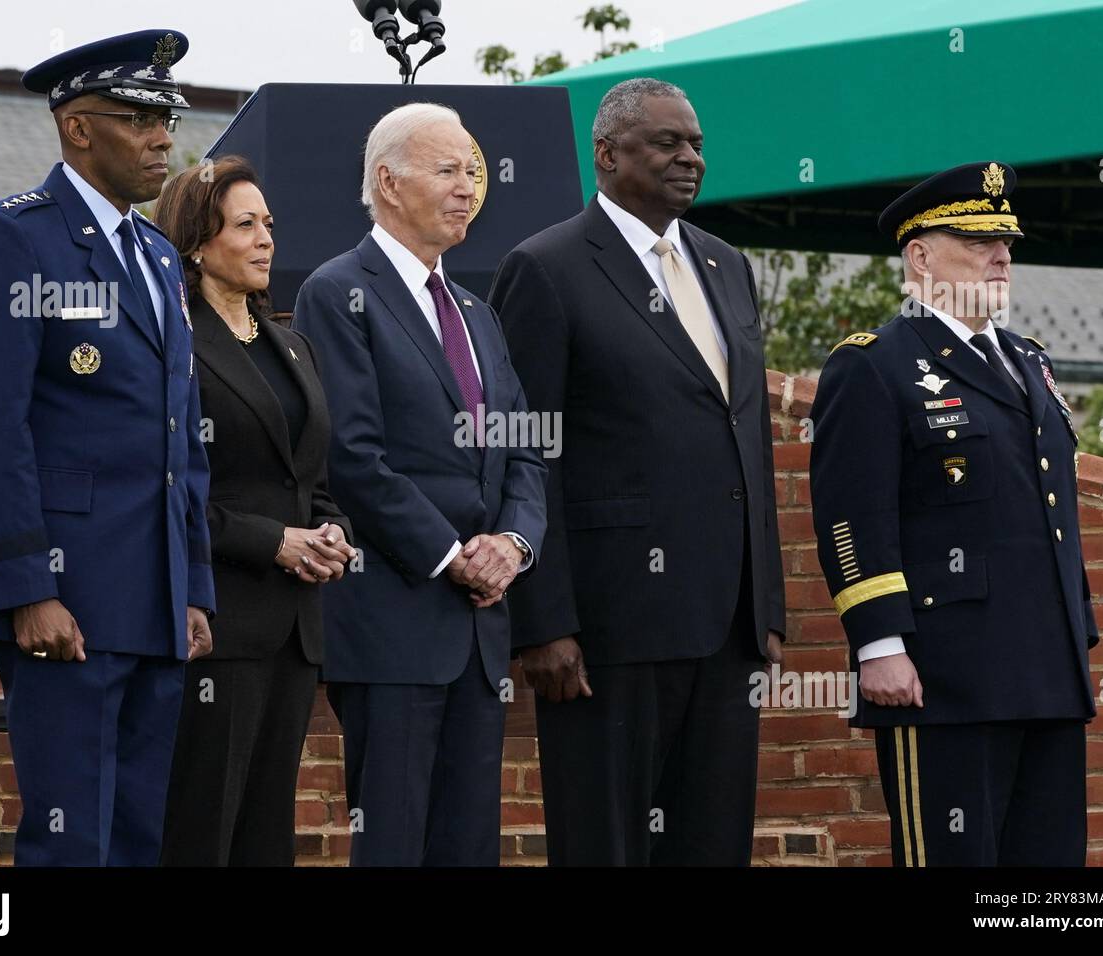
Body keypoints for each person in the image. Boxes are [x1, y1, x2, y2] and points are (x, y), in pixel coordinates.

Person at [487, 78, 786, 866]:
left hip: (726, 621)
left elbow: (745, 436)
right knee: (607, 842)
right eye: (669, 143)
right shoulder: (545, 267)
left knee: (712, 841)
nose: (691, 157)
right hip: (610, 624)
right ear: (608, 152)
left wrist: (768, 604)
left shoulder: (726, 266)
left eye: (697, 144)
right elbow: (525, 446)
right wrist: (544, 621)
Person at [0, 30, 214, 866]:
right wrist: (27, 586)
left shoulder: (162, 257)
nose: (163, 135)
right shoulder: (16, 239)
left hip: (157, 600)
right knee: (69, 839)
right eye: (139, 117)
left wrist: (194, 585)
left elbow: (182, 441)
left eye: (166, 116)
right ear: (78, 128)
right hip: (69, 596)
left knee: (135, 835)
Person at [809, 161, 1098, 866]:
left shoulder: (1029, 360)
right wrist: (878, 643)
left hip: (1047, 669)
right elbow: (851, 514)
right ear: (920, 256)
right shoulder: (875, 363)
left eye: (1006, 240)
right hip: (943, 673)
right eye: (978, 240)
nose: (1002, 254)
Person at [294, 102, 547, 866]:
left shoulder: (477, 311)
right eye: (447, 169)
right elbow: (352, 457)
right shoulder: (337, 292)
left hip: (478, 635)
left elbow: (524, 447)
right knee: (396, 843)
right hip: (394, 622)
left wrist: (512, 542)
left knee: (469, 848)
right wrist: (450, 554)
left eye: (472, 170)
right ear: (387, 181)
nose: (468, 186)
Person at [152, 156, 355, 866]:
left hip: (296, 632)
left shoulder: (293, 344)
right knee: (202, 829)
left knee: (268, 837)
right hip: (219, 624)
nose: (267, 238)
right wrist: (273, 541)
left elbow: (315, 479)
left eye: (269, 223)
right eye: (246, 224)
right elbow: (167, 489)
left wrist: (333, 534)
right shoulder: (171, 345)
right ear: (198, 241)